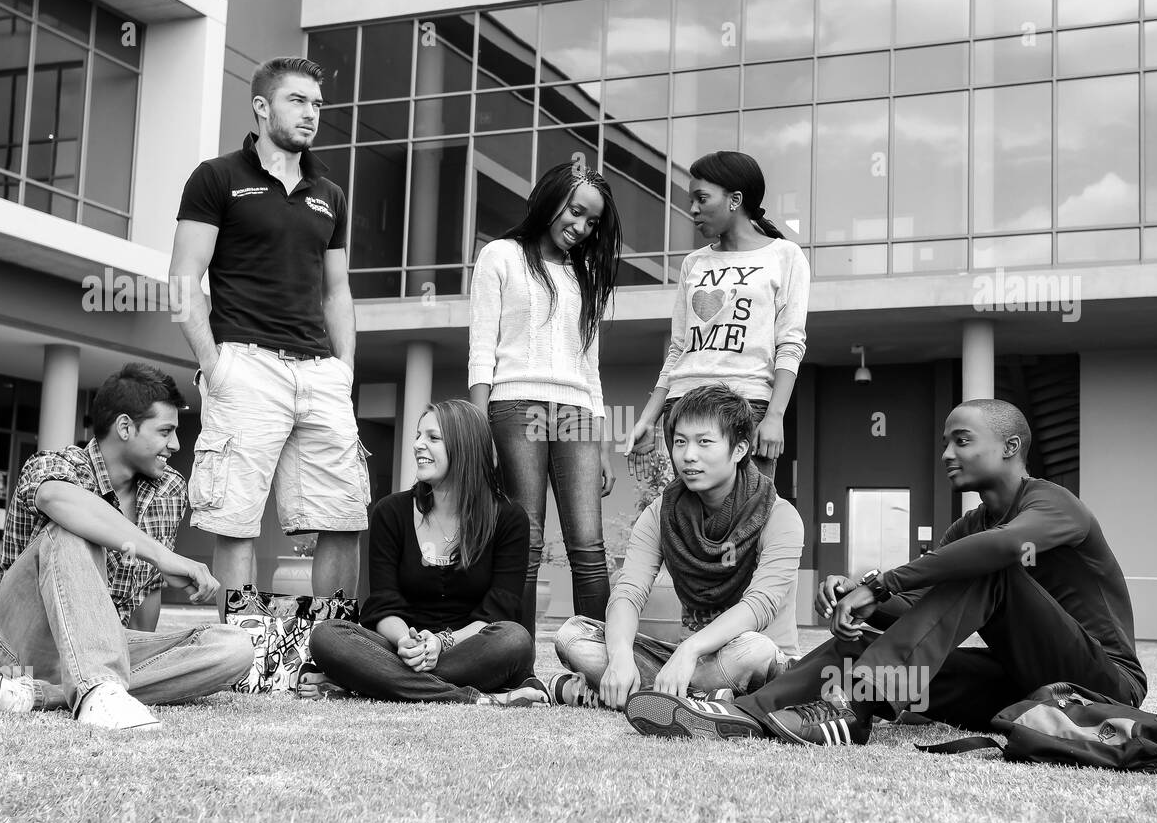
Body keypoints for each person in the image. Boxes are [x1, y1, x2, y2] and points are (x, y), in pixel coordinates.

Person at [624, 399, 1148, 747]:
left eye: (962, 441)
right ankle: (745, 713)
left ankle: (855, 708)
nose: (946, 453)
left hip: (1102, 687)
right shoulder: (970, 525)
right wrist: (860, 597)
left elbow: (1004, 550)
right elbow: (928, 615)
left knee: (996, 568)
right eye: (945, 441)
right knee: (864, 642)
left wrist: (884, 583)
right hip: (1018, 684)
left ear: (1011, 447)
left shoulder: (1055, 504)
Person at [170, 56, 368, 613]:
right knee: (236, 517)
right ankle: (242, 651)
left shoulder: (329, 193)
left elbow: (337, 292)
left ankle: (333, 647)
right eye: (297, 101)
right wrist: (214, 365)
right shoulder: (217, 177)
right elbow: (184, 277)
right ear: (261, 107)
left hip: (320, 372)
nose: (311, 114)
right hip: (245, 363)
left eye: (317, 104)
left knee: (343, 515)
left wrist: (344, 367)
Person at [0, 364, 253, 732]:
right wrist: (161, 555)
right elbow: (59, 501)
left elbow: (145, 596)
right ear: (125, 427)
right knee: (71, 531)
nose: (176, 445)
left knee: (233, 648)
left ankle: (46, 695)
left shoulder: (169, 490)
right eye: (165, 431)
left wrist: (158, 579)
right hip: (9, 648)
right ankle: (96, 689)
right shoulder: (56, 464)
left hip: (95, 648)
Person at [310, 400, 590, 706]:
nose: (418, 445)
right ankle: (477, 698)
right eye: (418, 436)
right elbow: (382, 605)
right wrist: (406, 642)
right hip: (401, 648)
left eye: (432, 438)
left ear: (464, 447)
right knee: (327, 635)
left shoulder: (509, 519)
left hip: (470, 649)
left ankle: (372, 682)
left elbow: (498, 611)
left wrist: (442, 643)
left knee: (515, 639)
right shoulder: (390, 512)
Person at [554, 385, 803, 710]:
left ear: (740, 449)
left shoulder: (777, 514)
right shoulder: (662, 513)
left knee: (755, 651)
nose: (688, 455)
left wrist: (690, 650)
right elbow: (628, 592)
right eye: (681, 442)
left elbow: (760, 605)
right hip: (686, 661)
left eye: (704, 442)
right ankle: (698, 696)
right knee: (572, 635)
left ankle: (636, 692)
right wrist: (619, 656)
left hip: (749, 655)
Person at [468, 162, 623, 635]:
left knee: (588, 545)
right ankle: (517, 661)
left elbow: (589, 367)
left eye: (592, 222)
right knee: (527, 541)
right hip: (516, 406)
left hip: (576, 413)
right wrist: (478, 429)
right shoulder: (500, 255)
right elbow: (481, 349)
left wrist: (599, 442)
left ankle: (597, 660)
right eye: (576, 212)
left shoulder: (585, 276)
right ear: (551, 199)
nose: (581, 228)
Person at [627, 151, 809, 481]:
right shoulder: (693, 263)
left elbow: (791, 344)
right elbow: (678, 348)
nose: (693, 209)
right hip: (684, 403)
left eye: (702, 198)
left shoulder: (785, 256)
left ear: (735, 199)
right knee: (692, 521)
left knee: (750, 518)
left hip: (748, 402)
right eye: (691, 200)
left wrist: (775, 416)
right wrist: (649, 417)